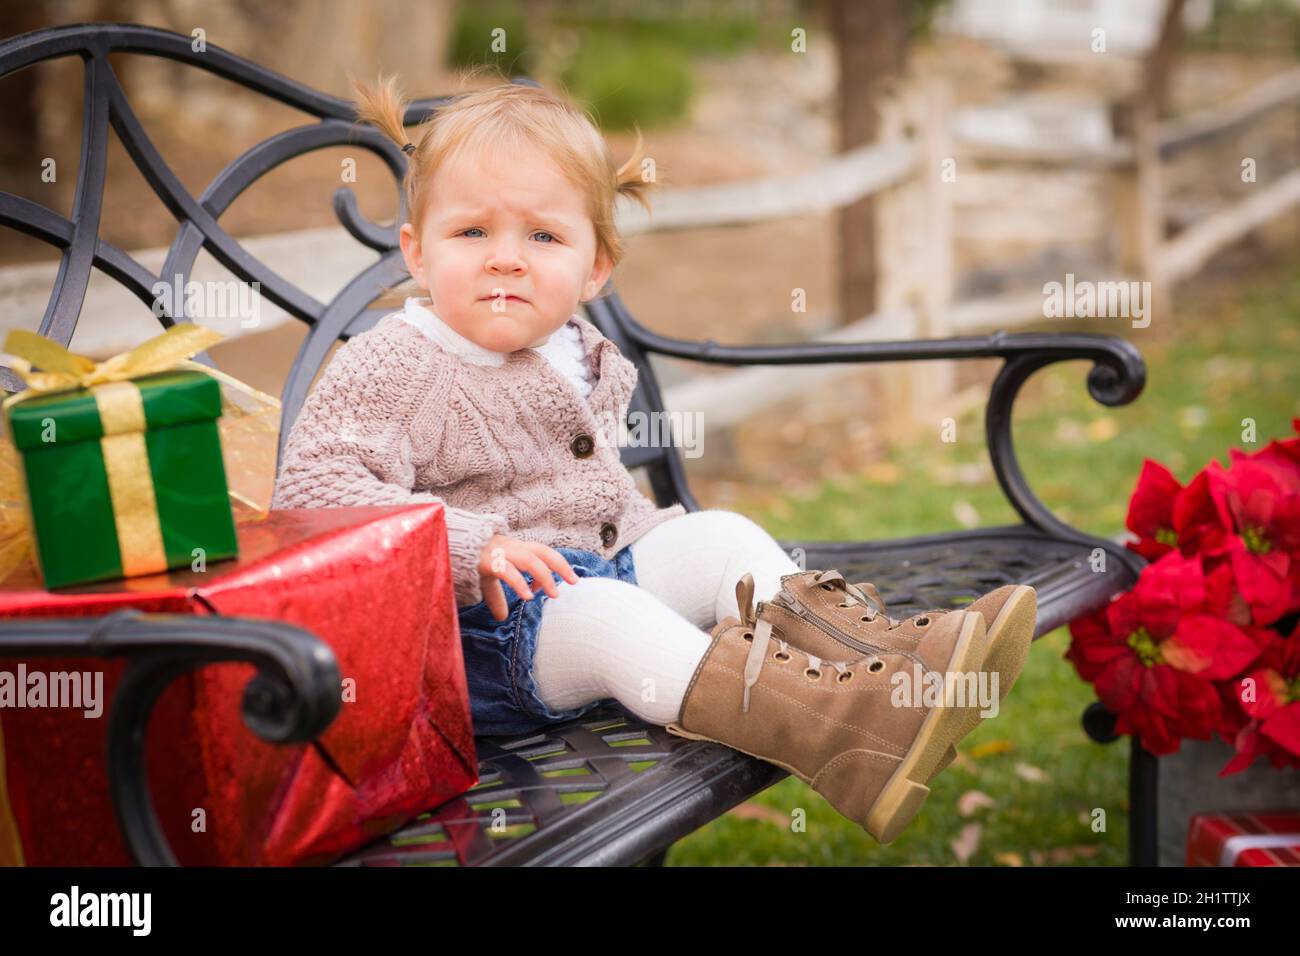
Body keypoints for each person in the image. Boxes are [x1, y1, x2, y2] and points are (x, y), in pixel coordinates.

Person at [271, 74, 1037, 843]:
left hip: (597, 571)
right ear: (416, 250)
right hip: (484, 642)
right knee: (611, 616)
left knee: (719, 537)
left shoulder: (570, 344)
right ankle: (836, 734)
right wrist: (476, 545)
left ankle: (888, 663)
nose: (505, 259)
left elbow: (593, 501)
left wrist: (648, 546)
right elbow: (310, 489)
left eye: (542, 236)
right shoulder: (394, 362)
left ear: (595, 267)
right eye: (471, 233)